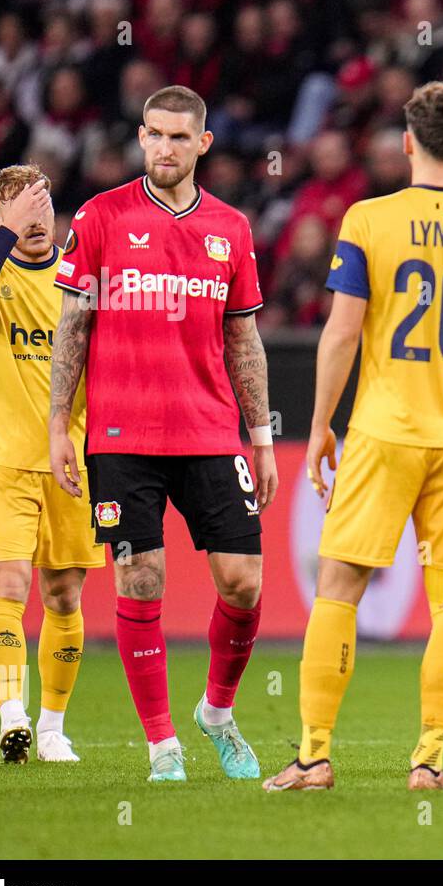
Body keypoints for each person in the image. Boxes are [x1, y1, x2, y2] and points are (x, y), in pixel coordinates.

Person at [262, 81, 443, 793]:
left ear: (409, 143)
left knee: (340, 587)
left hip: (384, 432)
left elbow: (342, 331)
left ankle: (315, 756)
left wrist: (322, 422)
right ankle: (429, 762)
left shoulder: (368, 219)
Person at [49, 85, 277, 784]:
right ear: (141, 137)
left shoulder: (231, 228)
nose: (165, 147)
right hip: (122, 432)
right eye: (153, 134)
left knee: (243, 584)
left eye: (180, 137)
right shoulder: (101, 216)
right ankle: (162, 745)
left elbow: (244, 337)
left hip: (210, 431)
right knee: (140, 578)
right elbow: (73, 326)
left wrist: (262, 438)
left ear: (203, 144)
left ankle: (216, 711)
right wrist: (60, 423)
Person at [0, 164, 103, 764]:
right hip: (4, 463)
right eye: (21, 208)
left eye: (43, 205)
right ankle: (13, 718)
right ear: (0, 217)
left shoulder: (82, 277)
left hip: (72, 465)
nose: (37, 218)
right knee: (7, 587)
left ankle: (54, 727)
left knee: (63, 596)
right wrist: (5, 237)